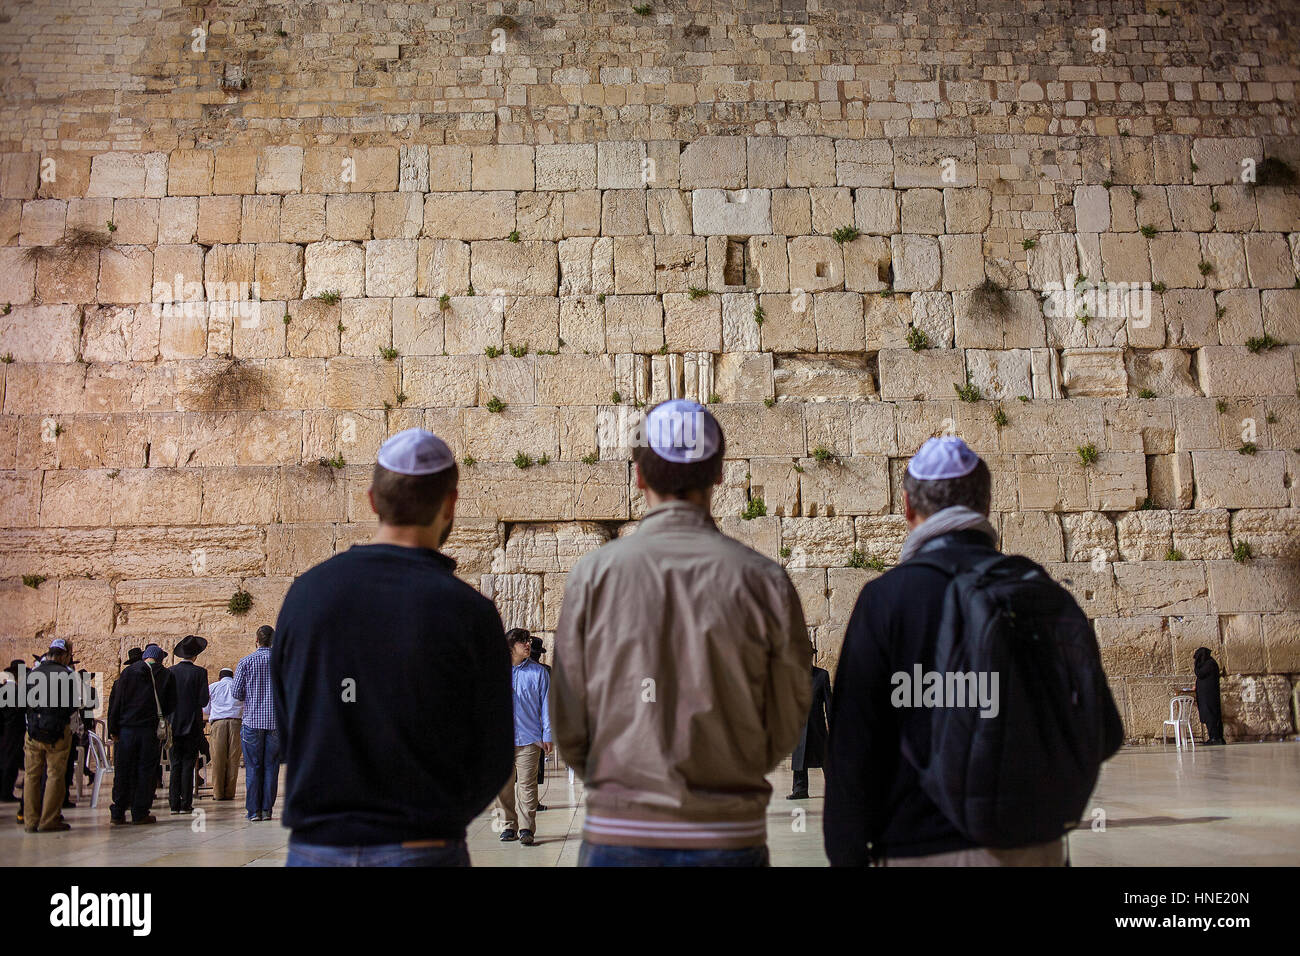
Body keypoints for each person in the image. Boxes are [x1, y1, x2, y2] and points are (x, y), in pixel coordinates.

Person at [824, 436, 1123, 866]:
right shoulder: (1038, 591)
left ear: (908, 507)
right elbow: (1105, 732)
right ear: (984, 505)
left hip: (919, 848)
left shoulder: (886, 600)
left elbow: (853, 752)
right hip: (1035, 848)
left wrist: (846, 855)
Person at [553, 400, 811, 867]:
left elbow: (569, 717)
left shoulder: (594, 576)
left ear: (638, 476)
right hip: (728, 833)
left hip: (619, 831)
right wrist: (734, 767)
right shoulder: (763, 581)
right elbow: (789, 711)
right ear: (718, 476)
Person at [273, 428, 514, 866]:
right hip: (422, 846)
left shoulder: (305, 596)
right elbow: (494, 755)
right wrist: (437, 818)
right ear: (450, 504)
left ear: (371, 500)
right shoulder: (469, 612)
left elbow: (289, 723)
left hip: (317, 848)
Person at [107, 643, 175, 826]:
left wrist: (112, 729)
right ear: (161, 659)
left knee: (123, 770)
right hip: (149, 731)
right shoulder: (166, 674)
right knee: (146, 771)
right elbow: (170, 705)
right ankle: (140, 812)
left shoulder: (128, 672)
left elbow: (117, 702)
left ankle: (118, 811)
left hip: (126, 730)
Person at [495, 629, 552, 846]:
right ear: (511, 647)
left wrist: (548, 734)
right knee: (503, 785)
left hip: (530, 738)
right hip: (502, 739)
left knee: (527, 785)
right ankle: (509, 825)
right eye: (522, 642)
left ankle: (527, 828)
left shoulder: (539, 673)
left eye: (528, 641)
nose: (528, 644)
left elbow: (547, 707)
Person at [22, 639, 79, 832]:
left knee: (32, 776)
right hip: (57, 732)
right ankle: (49, 820)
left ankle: (30, 821)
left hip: (34, 731)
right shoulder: (67, 674)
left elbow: (22, 702)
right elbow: (73, 705)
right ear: (63, 656)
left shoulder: (33, 673)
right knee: (55, 775)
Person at [232, 626, 278, 822]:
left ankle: (253, 812)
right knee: (271, 766)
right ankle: (267, 810)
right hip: (276, 722)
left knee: (253, 767)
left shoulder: (245, 662)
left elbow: (236, 694)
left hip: (252, 721)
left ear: (256, 641)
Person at [167, 635, 210, 814]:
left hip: (173, 724)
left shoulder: (170, 671)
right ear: (195, 655)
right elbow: (203, 700)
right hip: (192, 725)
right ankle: (186, 803)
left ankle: (173, 803)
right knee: (188, 764)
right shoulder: (200, 673)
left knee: (175, 763)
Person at [788, 652, 832, 800]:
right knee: (799, 759)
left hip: (817, 725)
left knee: (825, 757)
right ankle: (800, 789)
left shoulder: (822, 675)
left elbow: (829, 702)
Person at [204, 667, 243, 800]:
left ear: (219, 677)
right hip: (236, 723)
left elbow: (206, 708)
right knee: (233, 759)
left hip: (218, 723)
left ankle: (218, 793)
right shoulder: (237, 686)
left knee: (217, 758)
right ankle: (230, 792)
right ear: (232, 677)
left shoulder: (213, 687)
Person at [1, 661, 28, 802]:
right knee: (10, 762)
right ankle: (6, 793)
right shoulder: (14, 690)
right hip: (13, 730)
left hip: (6, 730)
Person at [529, 636, 551, 809]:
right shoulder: (545, 670)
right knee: (533, 768)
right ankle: (531, 802)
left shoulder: (544, 671)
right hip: (538, 723)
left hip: (538, 724)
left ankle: (530, 802)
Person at [1194, 648, 1226, 745]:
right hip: (1207, 696)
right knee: (1209, 716)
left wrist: (1195, 665)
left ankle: (1215, 737)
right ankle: (1214, 737)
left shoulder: (1210, 664)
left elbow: (1199, 673)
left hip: (1209, 696)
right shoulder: (1209, 663)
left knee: (1211, 716)